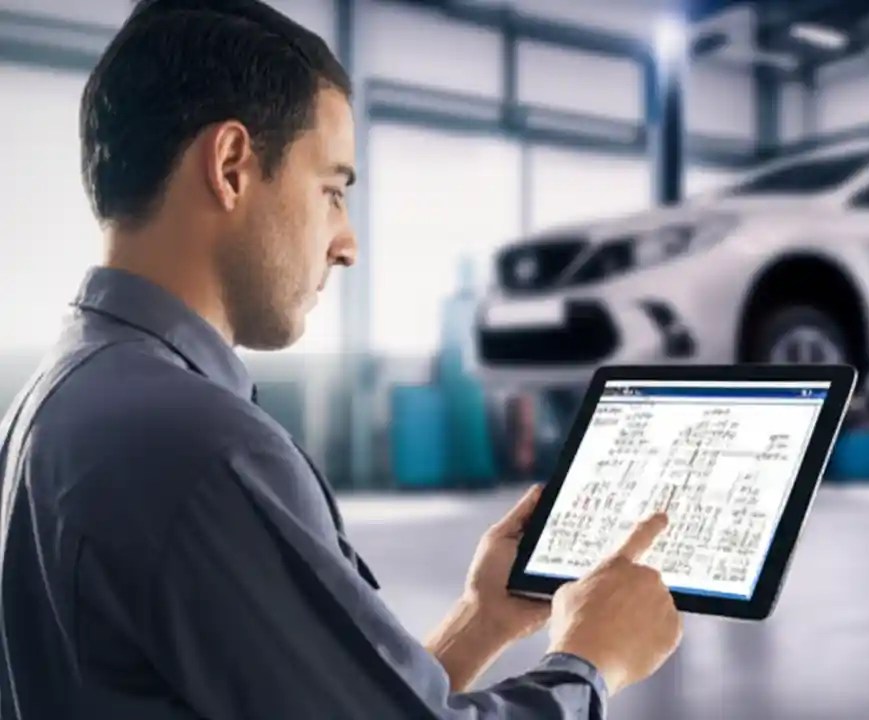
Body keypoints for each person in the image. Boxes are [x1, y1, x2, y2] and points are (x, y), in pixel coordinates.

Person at [0, 1, 681, 717]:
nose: (346, 242)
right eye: (331, 191)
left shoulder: (59, 400)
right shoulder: (199, 448)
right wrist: (591, 659)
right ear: (231, 166)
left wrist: (481, 621)